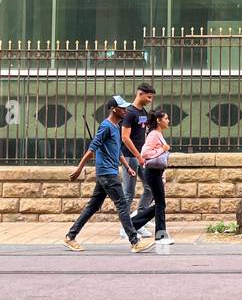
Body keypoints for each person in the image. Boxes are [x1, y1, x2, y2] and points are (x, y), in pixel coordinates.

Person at [63, 95, 156, 254]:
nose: (126, 110)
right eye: (123, 108)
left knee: (92, 206)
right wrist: (79, 169)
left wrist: (127, 166)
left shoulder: (116, 126)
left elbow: (117, 150)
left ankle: (70, 236)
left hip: (110, 171)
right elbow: (92, 149)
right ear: (114, 109)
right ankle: (134, 240)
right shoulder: (106, 126)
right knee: (121, 204)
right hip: (106, 173)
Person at [119, 83, 158, 241]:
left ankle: (138, 221)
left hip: (141, 156)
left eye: (151, 97)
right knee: (128, 192)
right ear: (140, 94)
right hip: (130, 156)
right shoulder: (129, 112)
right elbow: (125, 137)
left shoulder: (143, 111)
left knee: (149, 188)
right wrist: (137, 155)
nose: (150, 100)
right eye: (148, 97)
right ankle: (125, 226)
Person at [137, 109, 174, 245]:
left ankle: (132, 225)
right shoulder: (153, 134)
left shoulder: (158, 134)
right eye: (166, 118)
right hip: (152, 172)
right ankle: (160, 237)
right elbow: (144, 153)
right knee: (160, 204)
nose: (168, 121)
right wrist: (162, 150)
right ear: (159, 120)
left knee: (160, 204)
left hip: (156, 173)